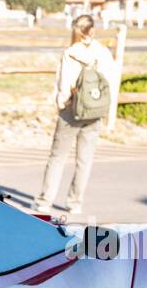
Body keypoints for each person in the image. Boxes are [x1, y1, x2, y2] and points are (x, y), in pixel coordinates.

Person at [32, 14, 117, 217]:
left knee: (57, 157)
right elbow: (110, 83)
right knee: (84, 159)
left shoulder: (71, 53)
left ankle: (45, 201)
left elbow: (63, 83)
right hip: (94, 111)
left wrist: (61, 104)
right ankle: (75, 202)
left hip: (72, 109)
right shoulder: (103, 53)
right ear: (93, 31)